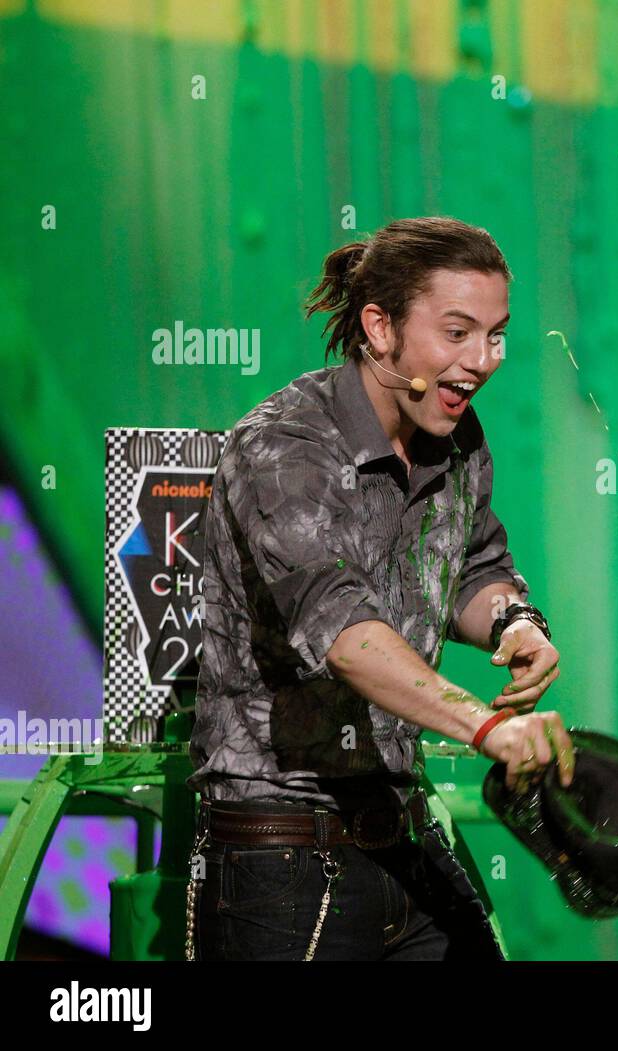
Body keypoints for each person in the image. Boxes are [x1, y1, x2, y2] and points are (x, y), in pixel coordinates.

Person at [187, 216, 574, 960]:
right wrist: (487, 726)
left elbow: (473, 565)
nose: (482, 359)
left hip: (402, 830)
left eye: (495, 334)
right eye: (456, 332)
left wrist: (513, 622)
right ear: (380, 327)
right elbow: (346, 636)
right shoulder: (284, 446)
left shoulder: (458, 437)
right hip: (283, 861)